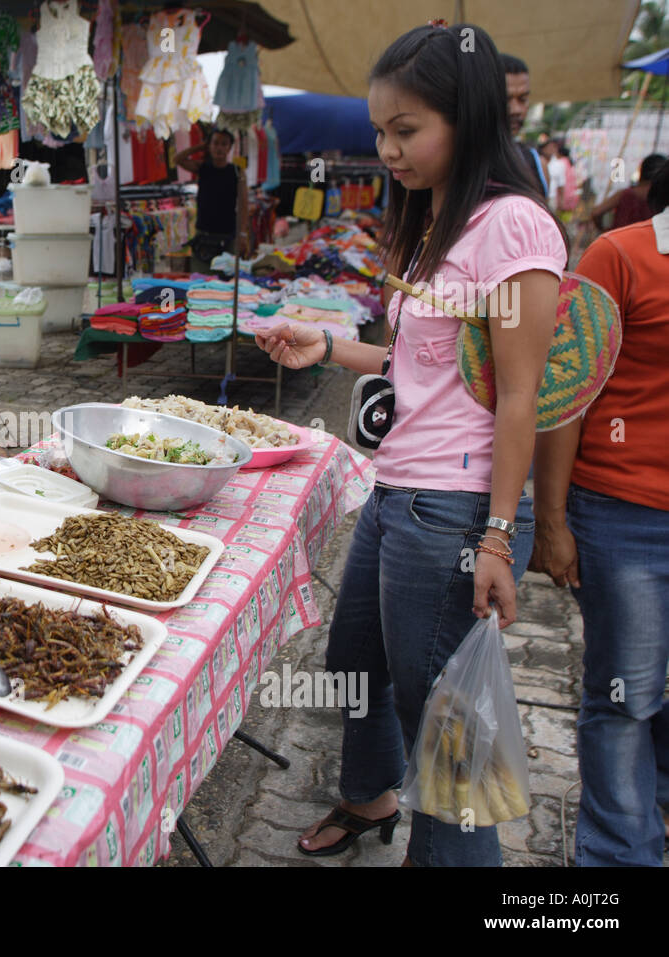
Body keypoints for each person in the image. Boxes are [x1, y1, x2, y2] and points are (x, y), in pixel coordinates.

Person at [256, 22, 565, 866]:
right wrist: (326, 345)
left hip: (456, 510)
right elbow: (416, 360)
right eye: (379, 131)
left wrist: (501, 534)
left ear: (464, 120)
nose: (387, 150)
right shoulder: (438, 220)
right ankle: (369, 797)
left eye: (406, 131)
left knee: (448, 733)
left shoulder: (512, 227)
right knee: (356, 658)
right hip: (399, 489)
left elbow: (520, 396)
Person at [531, 161, 669, 866]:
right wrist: (550, 522)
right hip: (626, 517)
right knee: (624, 695)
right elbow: (563, 392)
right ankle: (619, 857)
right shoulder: (618, 256)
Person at [177, 128, 239, 270]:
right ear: (209, 145)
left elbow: (243, 204)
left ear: (230, 147)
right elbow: (178, 159)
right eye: (215, 143)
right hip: (204, 233)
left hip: (228, 234)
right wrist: (201, 146)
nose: (219, 148)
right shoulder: (202, 167)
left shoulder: (236, 172)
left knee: (227, 281)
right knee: (201, 279)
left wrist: (242, 234)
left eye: (224, 144)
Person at [501, 54, 547, 195]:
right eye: (506, 99)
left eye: (523, 99)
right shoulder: (461, 163)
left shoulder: (536, 163)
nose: (516, 110)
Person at [587, 153, 666, 231]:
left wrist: (605, 231)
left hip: (620, 240)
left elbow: (596, 213)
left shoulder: (626, 194)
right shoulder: (662, 198)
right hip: (650, 242)